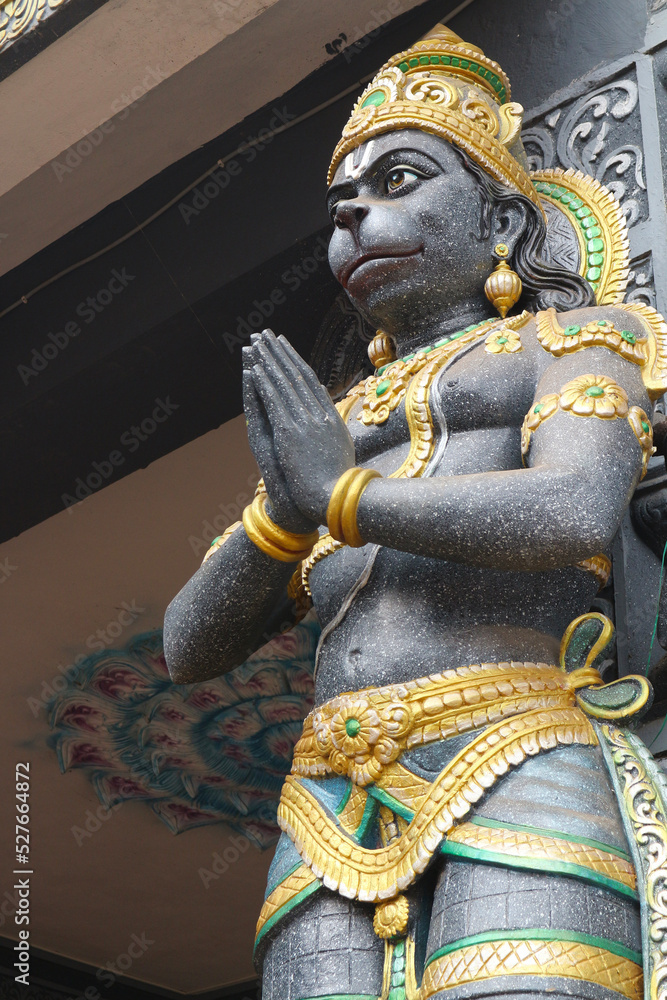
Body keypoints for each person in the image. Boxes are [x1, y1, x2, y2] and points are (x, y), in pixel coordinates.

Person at [164, 25, 667, 1000]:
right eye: (341, 199)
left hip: (520, 743)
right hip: (326, 793)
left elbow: (571, 508)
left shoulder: (576, 342)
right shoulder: (335, 421)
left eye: (397, 179)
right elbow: (188, 644)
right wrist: (283, 509)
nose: (354, 210)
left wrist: (342, 497)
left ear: (498, 219)